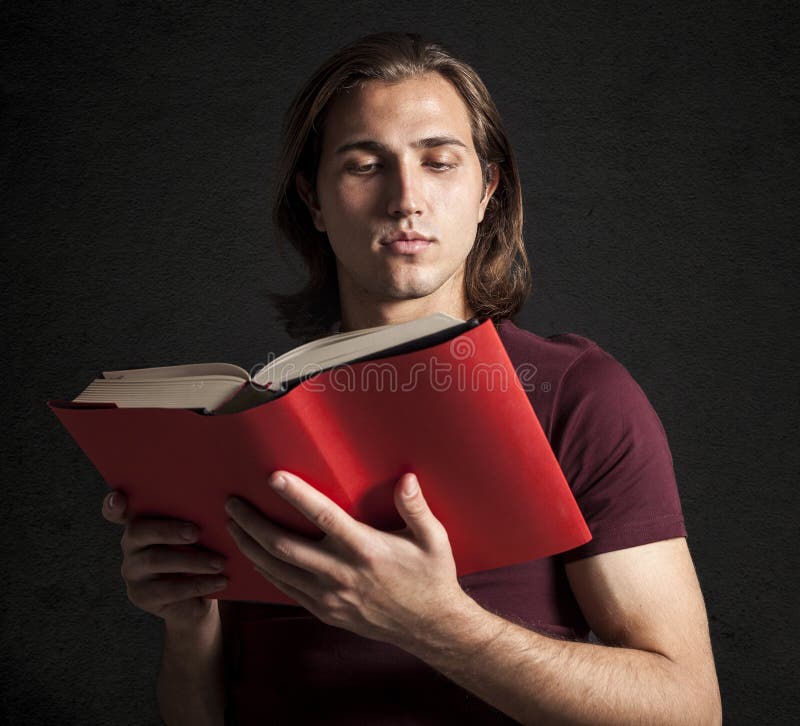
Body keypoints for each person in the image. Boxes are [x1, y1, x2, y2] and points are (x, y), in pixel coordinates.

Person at [102, 32, 722, 725]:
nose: (405, 199)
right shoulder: (249, 422)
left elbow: (687, 711)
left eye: (438, 163)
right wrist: (187, 625)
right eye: (366, 165)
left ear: (488, 189)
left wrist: (437, 624)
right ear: (313, 198)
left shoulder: (577, 395)